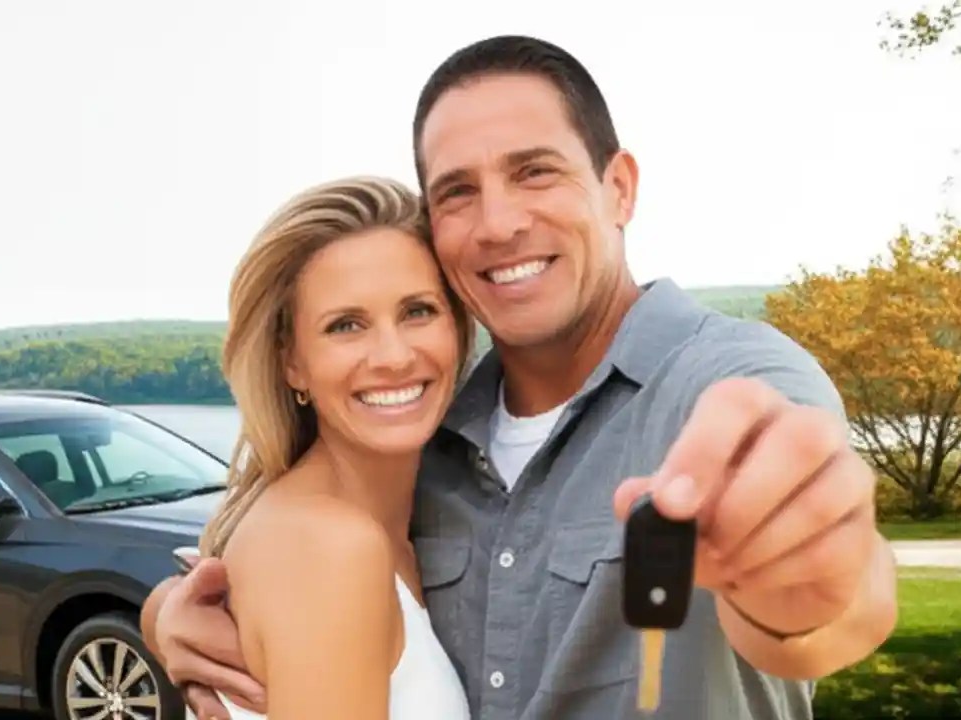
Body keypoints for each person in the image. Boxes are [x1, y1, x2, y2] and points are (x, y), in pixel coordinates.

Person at [142, 35, 900, 720]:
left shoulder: (726, 383)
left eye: (535, 171)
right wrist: (173, 608)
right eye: (458, 192)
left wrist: (810, 581)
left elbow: (830, 599)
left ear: (619, 188)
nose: (499, 223)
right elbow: (311, 573)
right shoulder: (422, 450)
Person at [174, 174, 479, 719]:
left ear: (456, 328)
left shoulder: (405, 520)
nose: (393, 356)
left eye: (417, 311)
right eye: (346, 325)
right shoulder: (332, 547)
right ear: (293, 362)